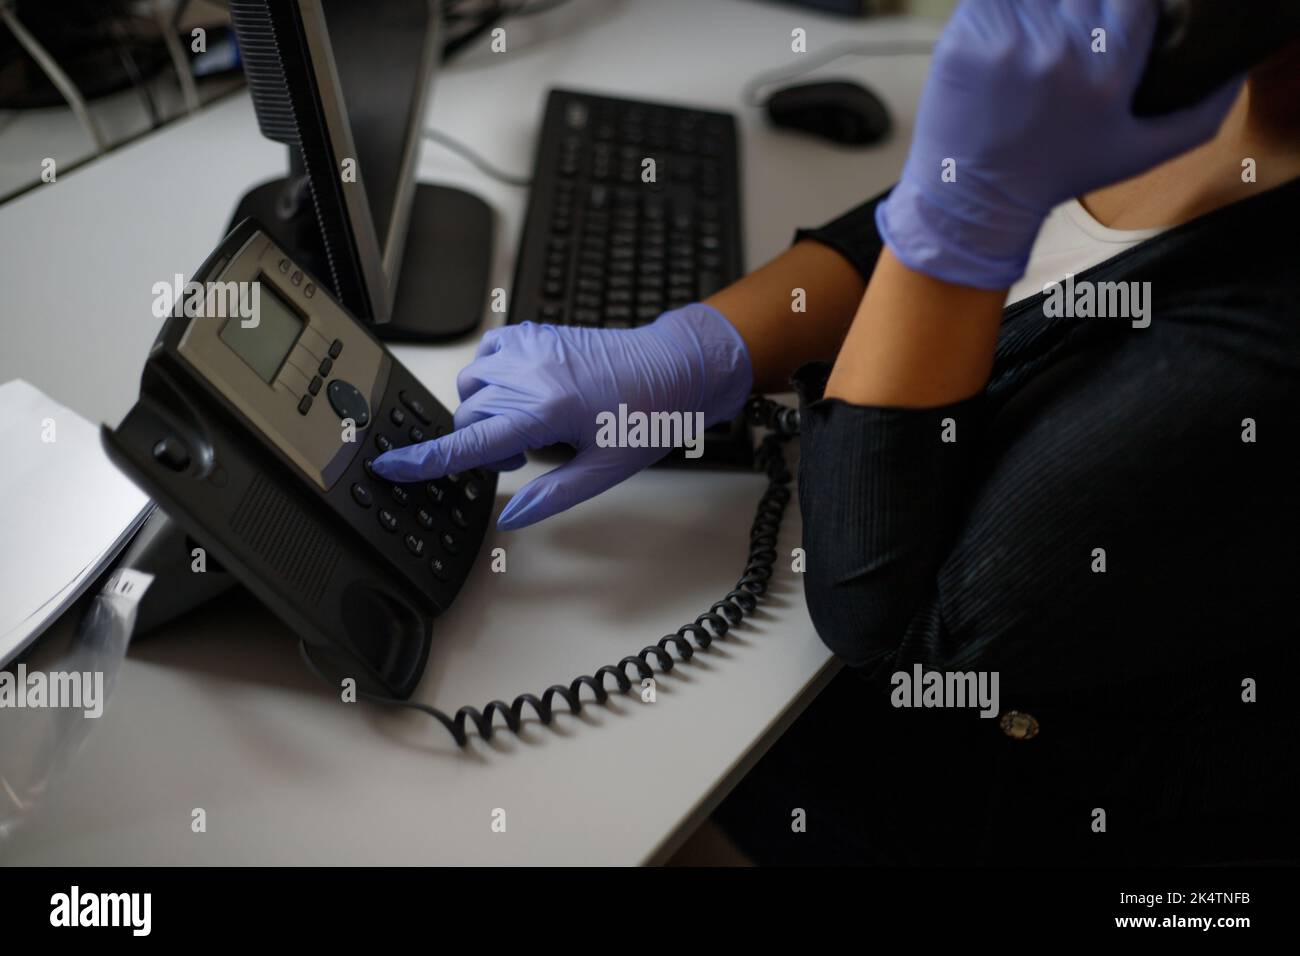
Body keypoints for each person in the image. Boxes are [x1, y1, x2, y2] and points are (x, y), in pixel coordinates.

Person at [374, 0, 1300, 864]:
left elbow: (892, 622)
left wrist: (966, 206)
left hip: (967, 788)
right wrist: (708, 345)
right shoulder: (1217, 64)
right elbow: (918, 221)